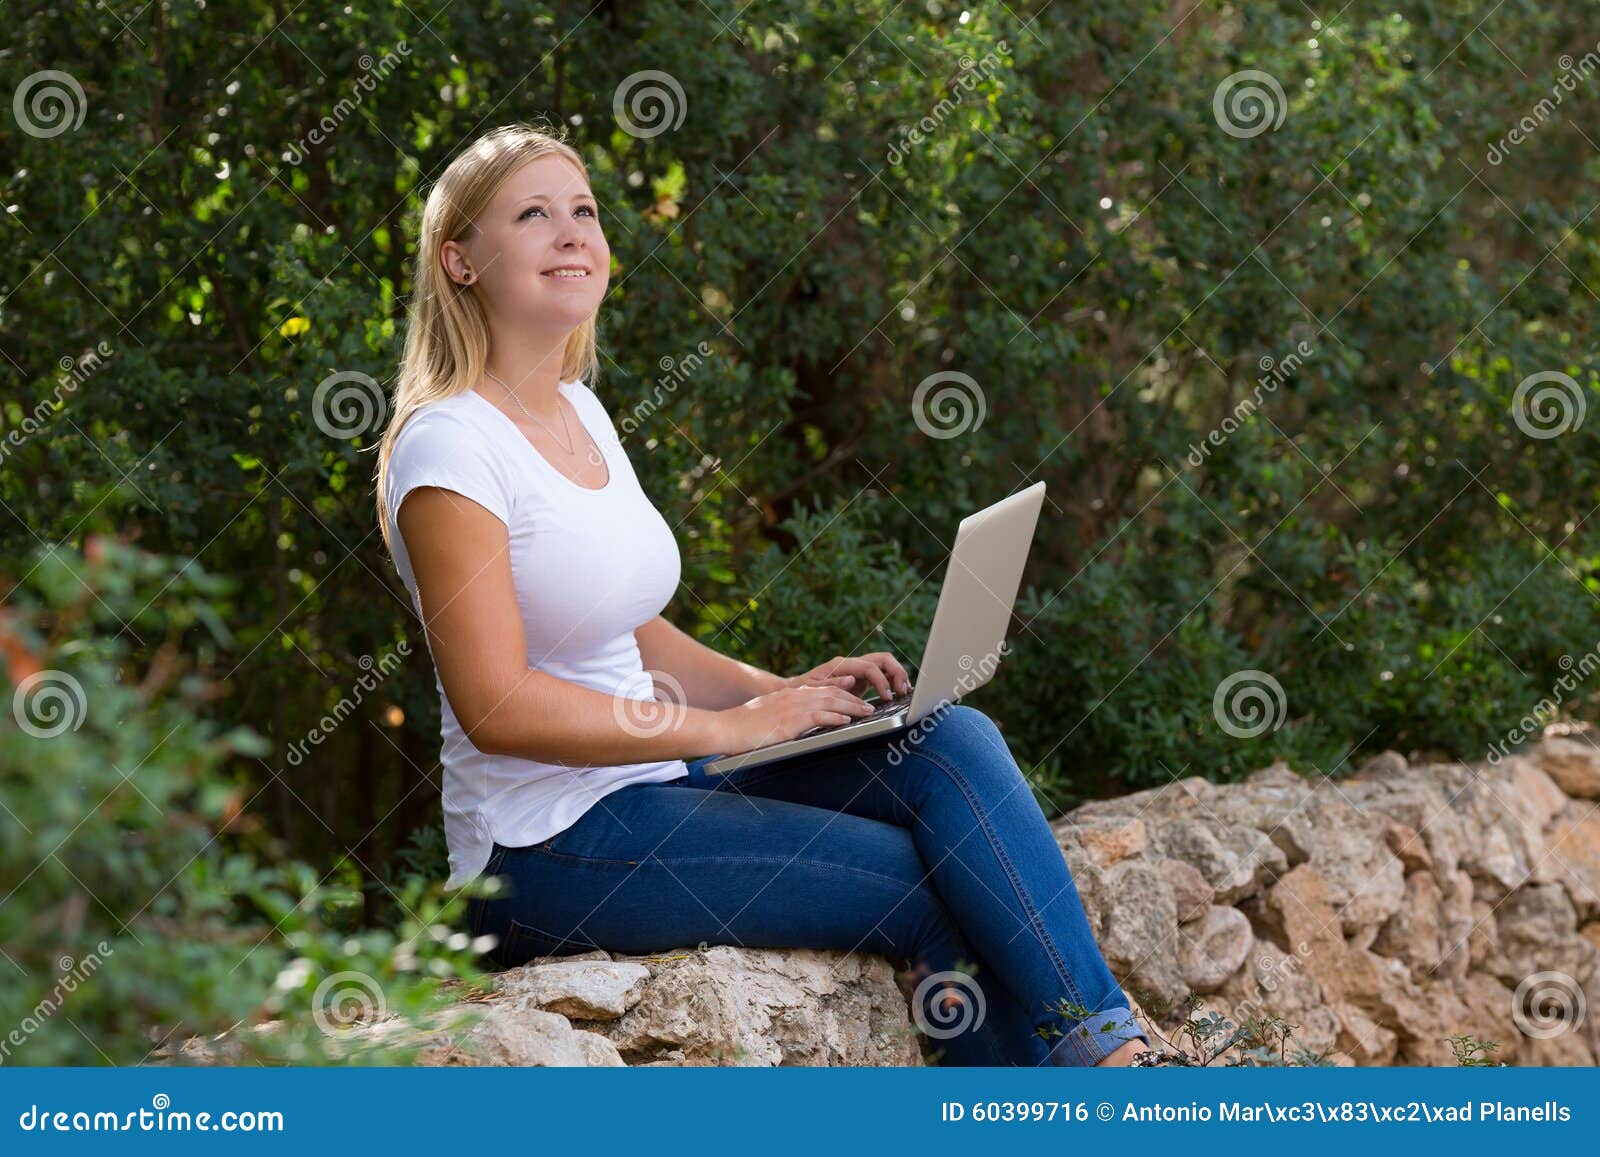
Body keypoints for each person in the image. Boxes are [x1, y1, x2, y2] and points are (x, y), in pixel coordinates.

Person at [373, 122, 1150, 1067]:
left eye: (583, 210)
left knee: (948, 741)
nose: (572, 232)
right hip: (542, 848)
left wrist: (780, 696)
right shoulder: (449, 447)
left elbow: (630, 629)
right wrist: (729, 731)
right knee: (931, 880)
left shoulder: (580, 407)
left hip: (656, 782)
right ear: (459, 260)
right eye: (532, 214)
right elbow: (496, 704)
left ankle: (1109, 1048)